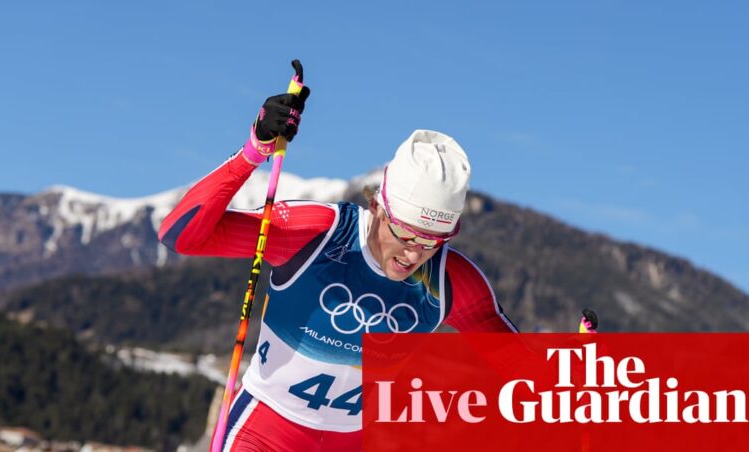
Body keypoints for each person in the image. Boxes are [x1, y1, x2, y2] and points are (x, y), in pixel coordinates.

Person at [159, 63, 583, 451]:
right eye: (406, 233)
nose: (415, 252)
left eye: (434, 240)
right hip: (267, 431)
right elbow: (180, 235)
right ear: (378, 206)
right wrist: (253, 152)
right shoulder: (318, 234)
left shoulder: (451, 282)